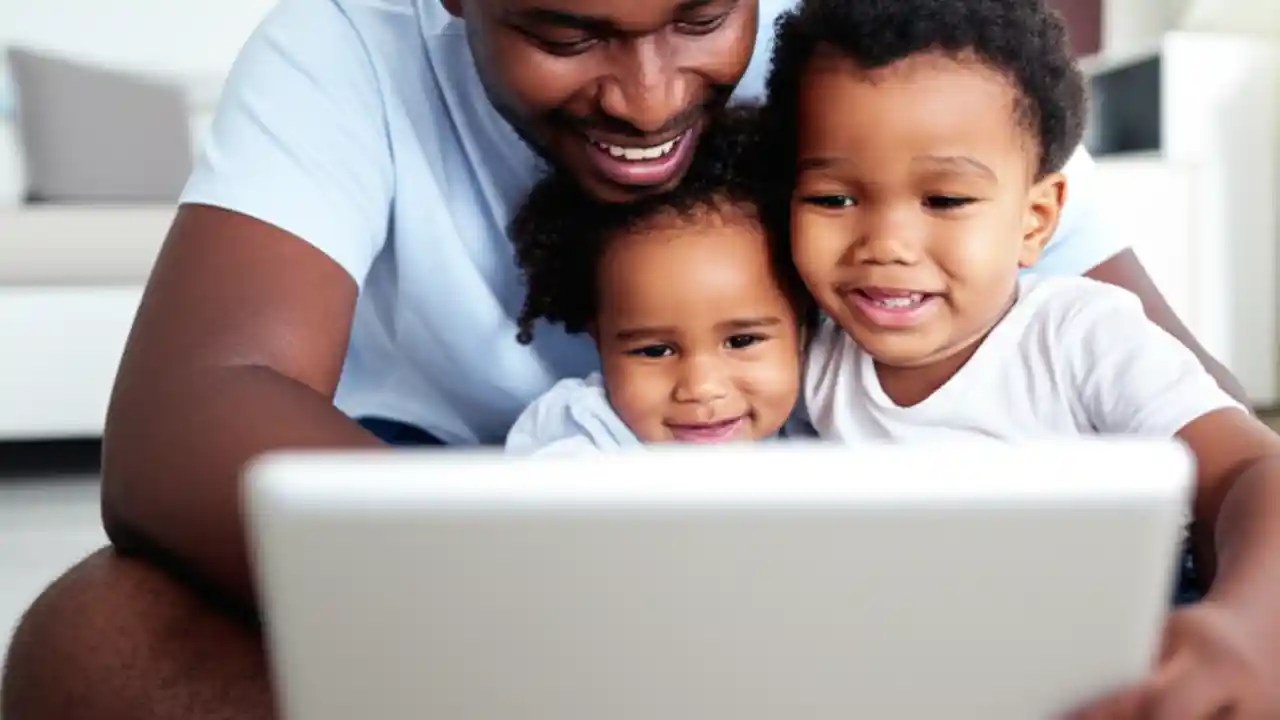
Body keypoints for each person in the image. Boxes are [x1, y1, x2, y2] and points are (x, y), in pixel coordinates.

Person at [0, 0, 1249, 718]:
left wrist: (1252, 629)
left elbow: (1208, 437)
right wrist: (578, 626)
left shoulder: (880, 59)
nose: (649, 97)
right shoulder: (343, 49)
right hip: (472, 559)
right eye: (569, 30)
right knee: (91, 646)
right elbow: (181, 422)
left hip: (803, 585)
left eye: (703, 17)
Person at [765, 0, 1280, 715]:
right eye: (832, 197)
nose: (884, 243)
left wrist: (1252, 629)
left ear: (1035, 220)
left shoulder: (1079, 335)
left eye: (944, 199)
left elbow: (1254, 468)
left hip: (1115, 665)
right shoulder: (809, 354)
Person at [506, 109, 808, 453]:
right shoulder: (580, 435)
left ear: (800, 328)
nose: (701, 388)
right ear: (598, 338)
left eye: (741, 341)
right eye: (655, 350)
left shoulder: (817, 419)